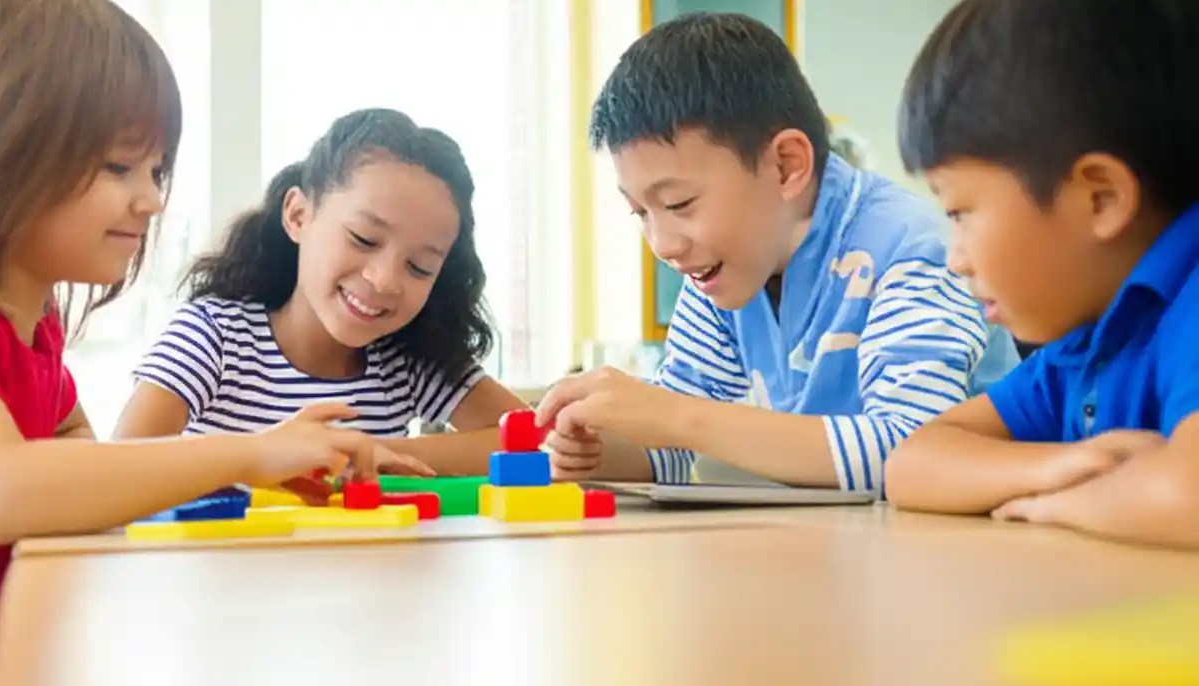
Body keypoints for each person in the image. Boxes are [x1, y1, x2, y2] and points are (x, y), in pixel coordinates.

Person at [0, 2, 424, 686]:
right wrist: (250, 453)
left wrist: (246, 482)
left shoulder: (32, 325)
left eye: (156, 169)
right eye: (119, 166)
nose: (152, 199)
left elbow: (75, 450)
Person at [536, 12, 1017, 492]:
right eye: (640, 212)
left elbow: (913, 453)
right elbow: (673, 448)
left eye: (679, 203)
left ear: (786, 166)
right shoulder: (723, 274)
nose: (663, 245)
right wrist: (592, 452)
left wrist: (675, 416)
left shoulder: (912, 250)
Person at [884, 0, 1199, 549]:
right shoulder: (1085, 342)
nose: (956, 259)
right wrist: (1064, 465)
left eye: (959, 213)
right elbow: (911, 464)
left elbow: (1189, 495)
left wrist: (1061, 506)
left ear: (1100, 198)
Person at [114, 109, 526, 476]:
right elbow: (123, 464)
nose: (384, 280)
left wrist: (374, 451)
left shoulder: (407, 359)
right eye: (364, 239)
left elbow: (531, 442)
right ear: (298, 216)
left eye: (419, 267)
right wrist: (266, 457)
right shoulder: (216, 336)